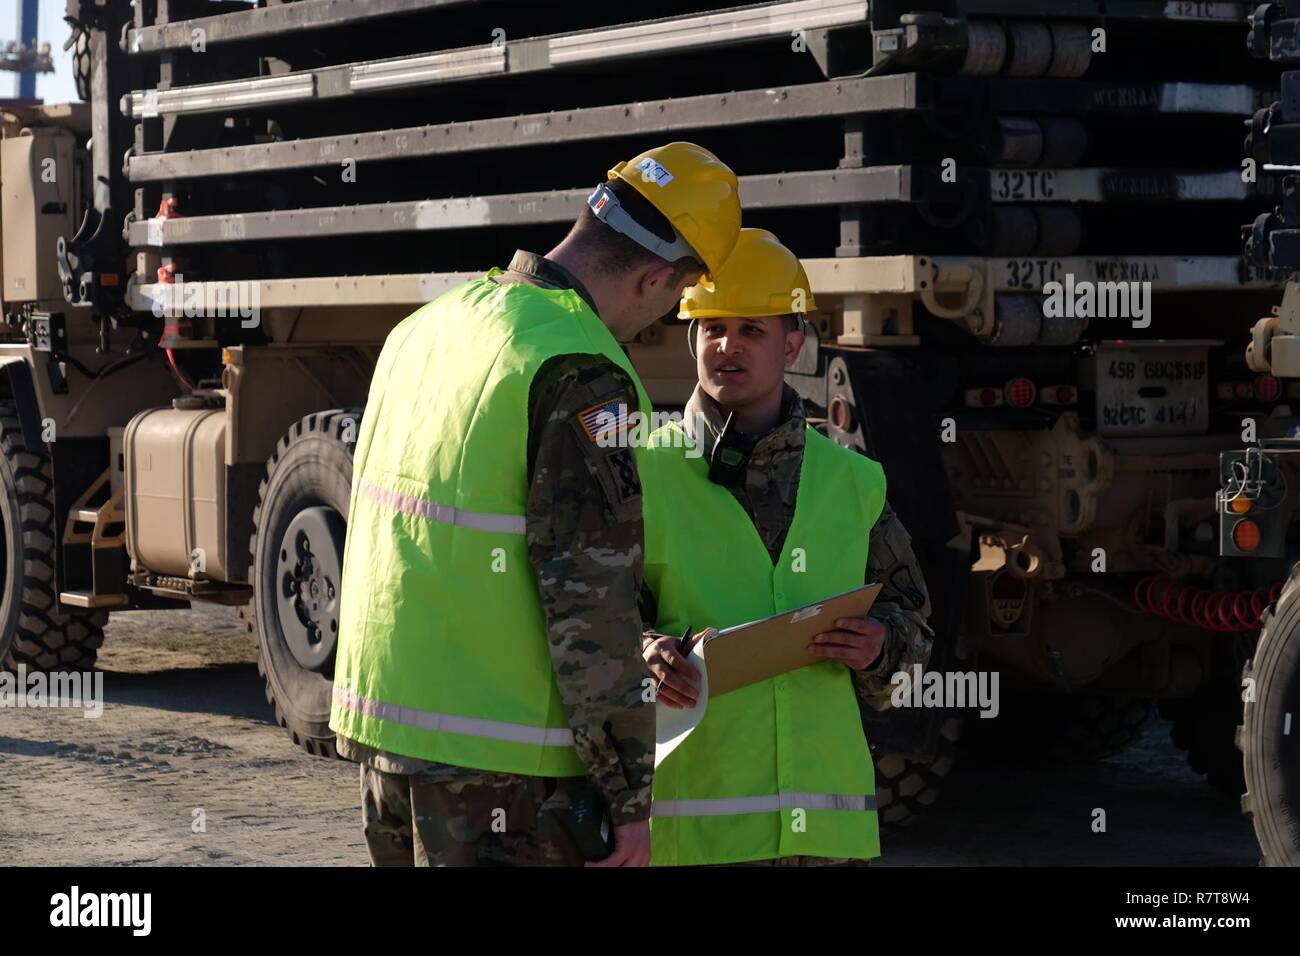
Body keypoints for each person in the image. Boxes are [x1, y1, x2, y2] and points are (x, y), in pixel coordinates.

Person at [329, 143, 741, 866]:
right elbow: (590, 598)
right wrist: (629, 796)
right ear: (654, 280)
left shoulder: (428, 327)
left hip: (388, 742)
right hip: (505, 768)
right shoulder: (581, 368)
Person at [639, 228, 933, 866]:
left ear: (793, 342)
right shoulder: (643, 472)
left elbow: (911, 616)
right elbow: (583, 618)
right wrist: (646, 653)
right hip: (696, 834)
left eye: (752, 330)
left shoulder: (853, 481)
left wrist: (880, 645)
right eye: (712, 328)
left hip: (824, 839)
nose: (728, 347)